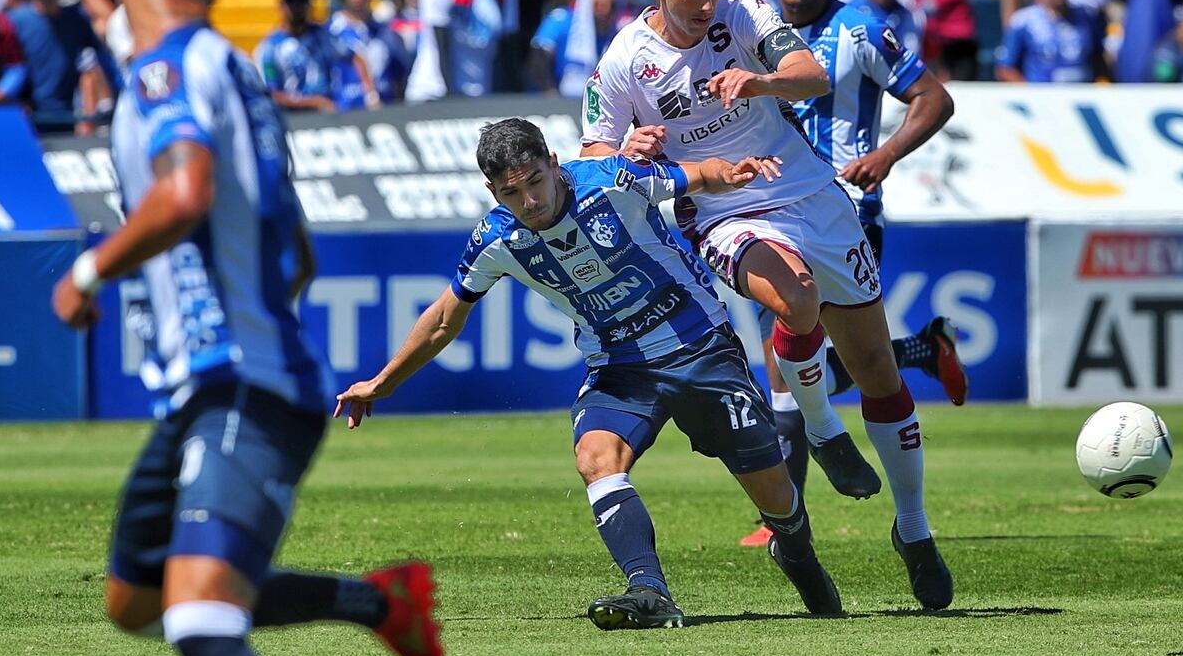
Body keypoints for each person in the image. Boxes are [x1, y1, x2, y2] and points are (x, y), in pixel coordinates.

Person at [49, 0, 444, 656]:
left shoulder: (162, 72)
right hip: (210, 387)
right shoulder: (239, 75)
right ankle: (380, 601)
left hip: (240, 382)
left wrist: (89, 270)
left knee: (197, 620)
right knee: (138, 600)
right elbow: (292, 250)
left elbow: (185, 192)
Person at [337, 117, 844, 628]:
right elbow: (446, 317)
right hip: (618, 366)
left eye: (535, 181)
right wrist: (384, 381)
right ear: (492, 191)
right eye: (512, 193)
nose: (530, 201)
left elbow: (695, 173)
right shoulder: (497, 238)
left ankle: (796, 550)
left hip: (698, 345)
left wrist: (730, 172)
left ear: (553, 164)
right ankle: (649, 590)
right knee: (595, 457)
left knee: (775, 496)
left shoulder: (611, 179)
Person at [581, 0, 955, 610]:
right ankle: (819, 428)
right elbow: (592, 158)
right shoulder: (622, 63)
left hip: (812, 191)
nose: (706, 2)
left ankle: (915, 531)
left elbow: (811, 74)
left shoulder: (745, 14)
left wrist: (759, 80)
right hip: (723, 207)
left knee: (877, 369)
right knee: (795, 298)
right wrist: (626, 148)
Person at [738, 0, 967, 547]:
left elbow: (934, 98)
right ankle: (786, 517)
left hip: (848, 215)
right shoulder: (746, 33)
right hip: (769, 214)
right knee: (790, 362)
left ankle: (784, 519)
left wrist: (886, 155)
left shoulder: (859, 28)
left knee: (810, 366)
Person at [5, 0, 113, 133]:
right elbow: (7, 70)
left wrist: (98, 110)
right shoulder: (14, 22)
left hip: (67, 120)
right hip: (25, 120)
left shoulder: (77, 19)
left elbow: (101, 62)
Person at [996, 0, 1106, 83]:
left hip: (1081, 92)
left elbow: (1099, 57)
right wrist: (1029, 94)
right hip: (1042, 92)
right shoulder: (1024, 21)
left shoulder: (1085, 18)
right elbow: (1005, 67)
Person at [529, 0, 629, 97]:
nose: (605, 11)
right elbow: (538, 59)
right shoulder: (561, 20)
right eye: (598, 4)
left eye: (611, 5)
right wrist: (551, 95)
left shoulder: (622, 35)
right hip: (560, 101)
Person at [255, 0, 341, 111]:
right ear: (281, 6)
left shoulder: (325, 36)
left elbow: (352, 57)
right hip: (294, 119)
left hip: (331, 115)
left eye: (302, 1)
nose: (297, 7)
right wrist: (314, 102)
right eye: (292, 2)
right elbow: (272, 94)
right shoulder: (270, 47)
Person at [329, 0, 397, 109]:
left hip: (386, 112)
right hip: (344, 116)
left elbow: (398, 73)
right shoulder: (329, 32)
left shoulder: (385, 31)